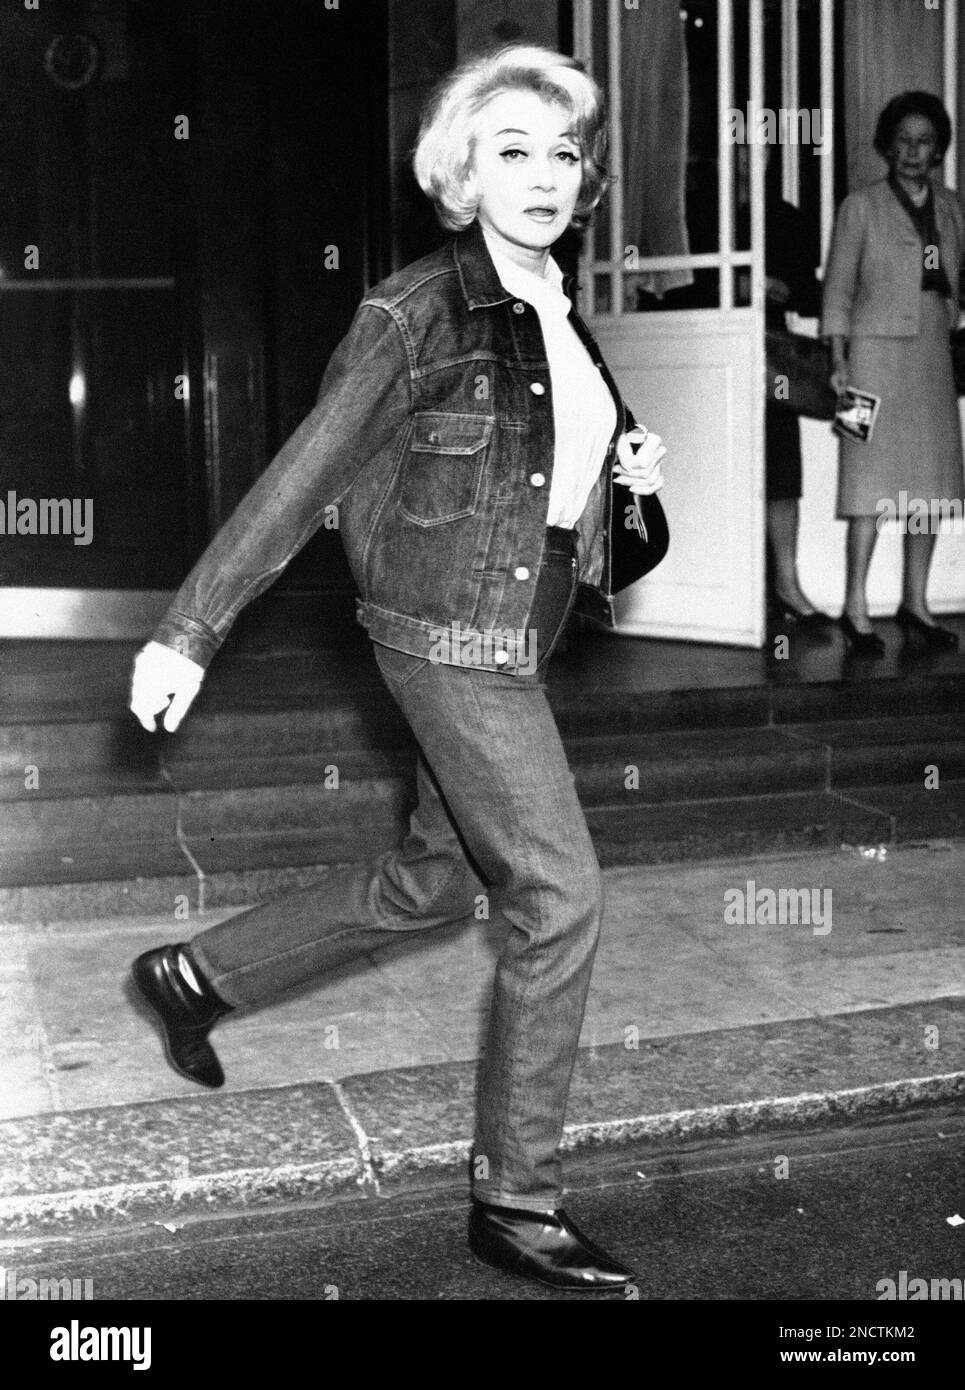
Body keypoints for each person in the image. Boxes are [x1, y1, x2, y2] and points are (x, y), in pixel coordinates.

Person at [127, 44, 668, 1292]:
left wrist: (623, 482)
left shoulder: (560, 307)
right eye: (510, 152)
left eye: (562, 154)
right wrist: (190, 628)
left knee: (434, 879)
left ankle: (196, 975)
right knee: (559, 892)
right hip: (444, 637)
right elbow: (303, 476)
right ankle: (514, 1203)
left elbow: (562, 498)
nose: (542, 176)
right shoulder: (417, 308)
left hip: (518, 630)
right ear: (459, 173)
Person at [822, 91, 964, 657]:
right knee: (867, 489)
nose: (912, 151)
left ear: (938, 150)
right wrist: (838, 360)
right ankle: (855, 607)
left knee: (929, 489)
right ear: (888, 145)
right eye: (902, 140)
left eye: (924, 141)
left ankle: (916, 603)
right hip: (869, 362)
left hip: (932, 357)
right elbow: (837, 290)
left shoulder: (954, 208)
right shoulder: (860, 207)